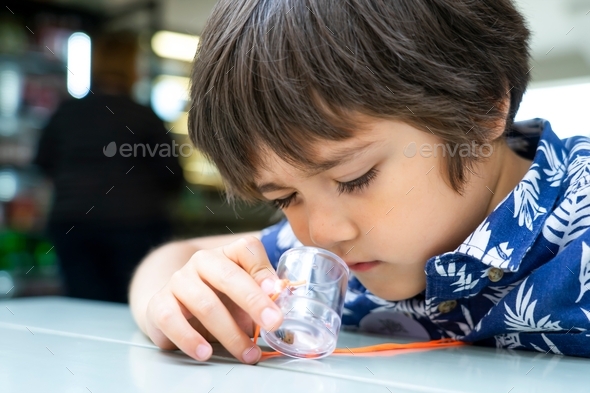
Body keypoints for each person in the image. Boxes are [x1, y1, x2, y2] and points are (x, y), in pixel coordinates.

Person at [129, 0, 590, 363]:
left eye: (354, 178)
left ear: (482, 108)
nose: (324, 235)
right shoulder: (323, 252)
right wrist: (169, 305)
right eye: (287, 197)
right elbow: (179, 255)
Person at [35, 31, 183, 303]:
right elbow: (172, 175)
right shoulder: (144, 116)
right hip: (136, 225)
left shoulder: (66, 113)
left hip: (73, 224)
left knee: (82, 307)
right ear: (132, 67)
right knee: (133, 308)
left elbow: (42, 162)